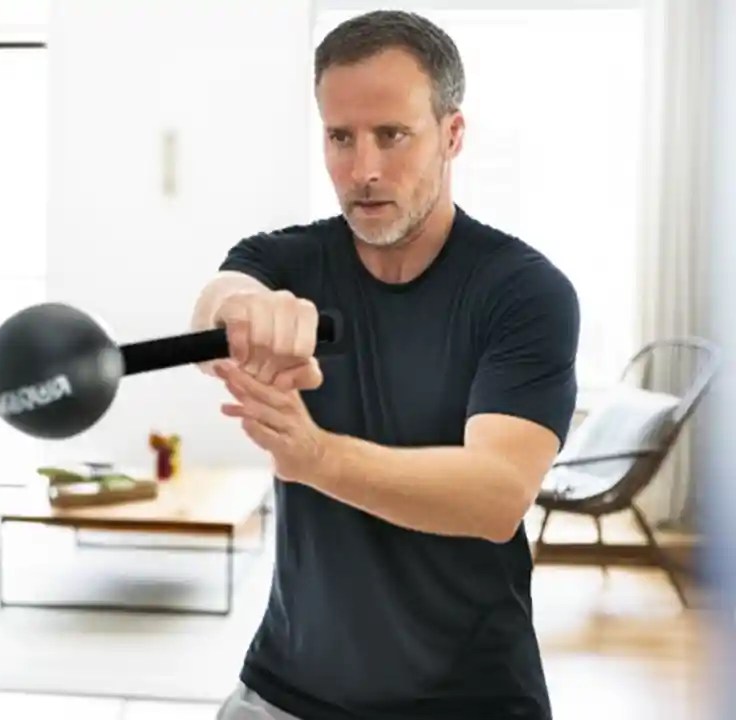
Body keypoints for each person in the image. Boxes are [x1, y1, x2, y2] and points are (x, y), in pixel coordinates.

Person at [192, 10, 579, 720]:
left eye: (392, 135)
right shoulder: (286, 260)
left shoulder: (523, 292)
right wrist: (241, 312)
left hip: (470, 701)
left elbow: (496, 496)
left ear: (452, 135)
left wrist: (316, 458)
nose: (363, 170)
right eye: (340, 137)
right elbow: (220, 302)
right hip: (284, 690)